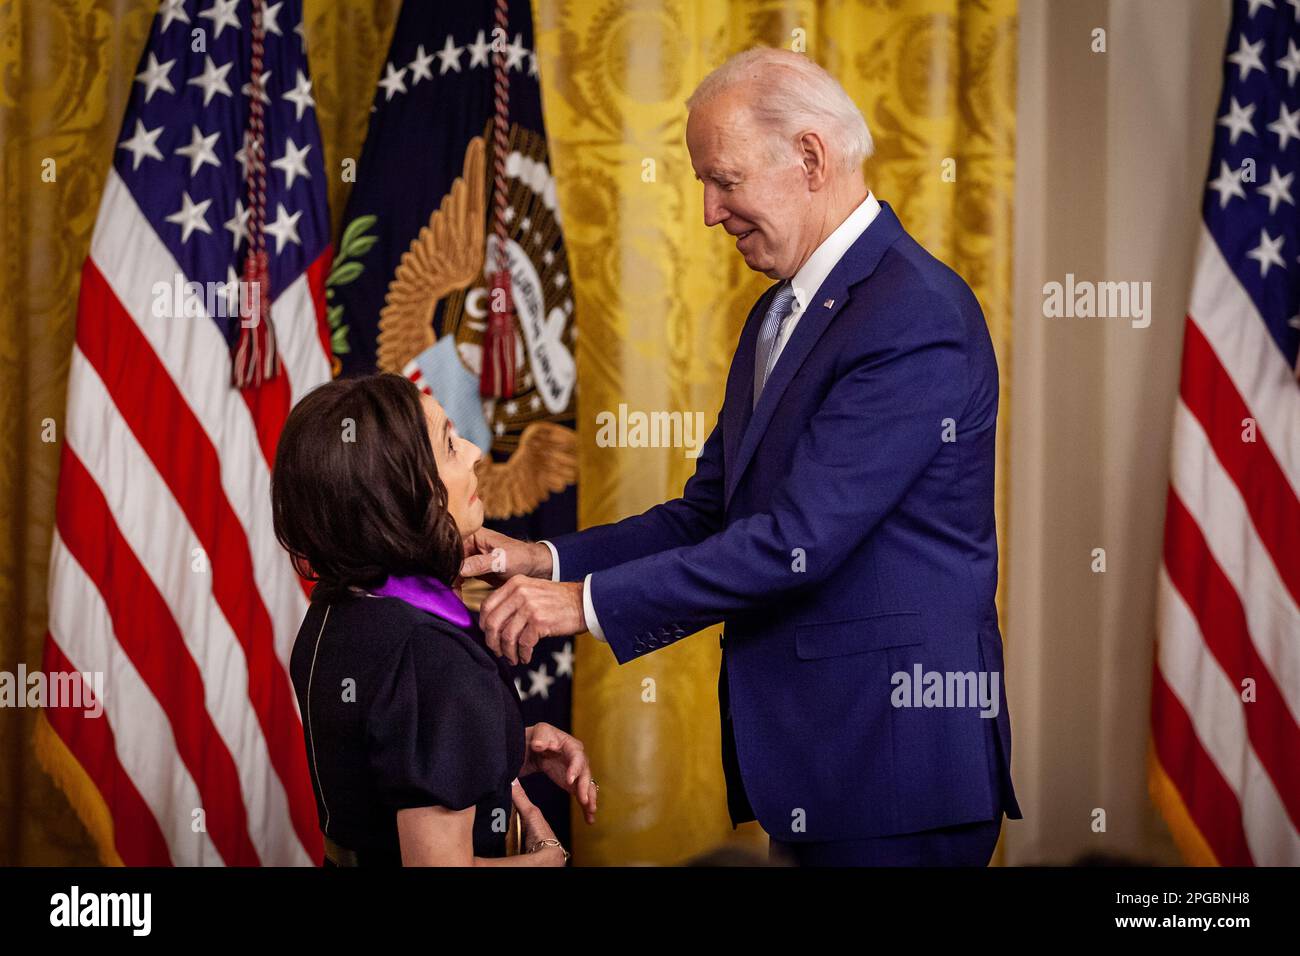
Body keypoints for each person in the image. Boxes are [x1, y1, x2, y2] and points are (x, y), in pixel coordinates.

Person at [461, 47, 1021, 866]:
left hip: (895, 768)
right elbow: (711, 514)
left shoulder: (914, 313)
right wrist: (545, 560)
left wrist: (582, 604)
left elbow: (798, 539)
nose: (709, 213)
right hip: (818, 764)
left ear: (810, 157)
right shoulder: (775, 316)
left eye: (723, 180)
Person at [272, 373, 596, 866]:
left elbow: (386, 765)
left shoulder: (337, 609)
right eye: (449, 445)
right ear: (396, 496)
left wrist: (507, 746)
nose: (473, 453)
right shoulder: (430, 654)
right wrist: (545, 858)